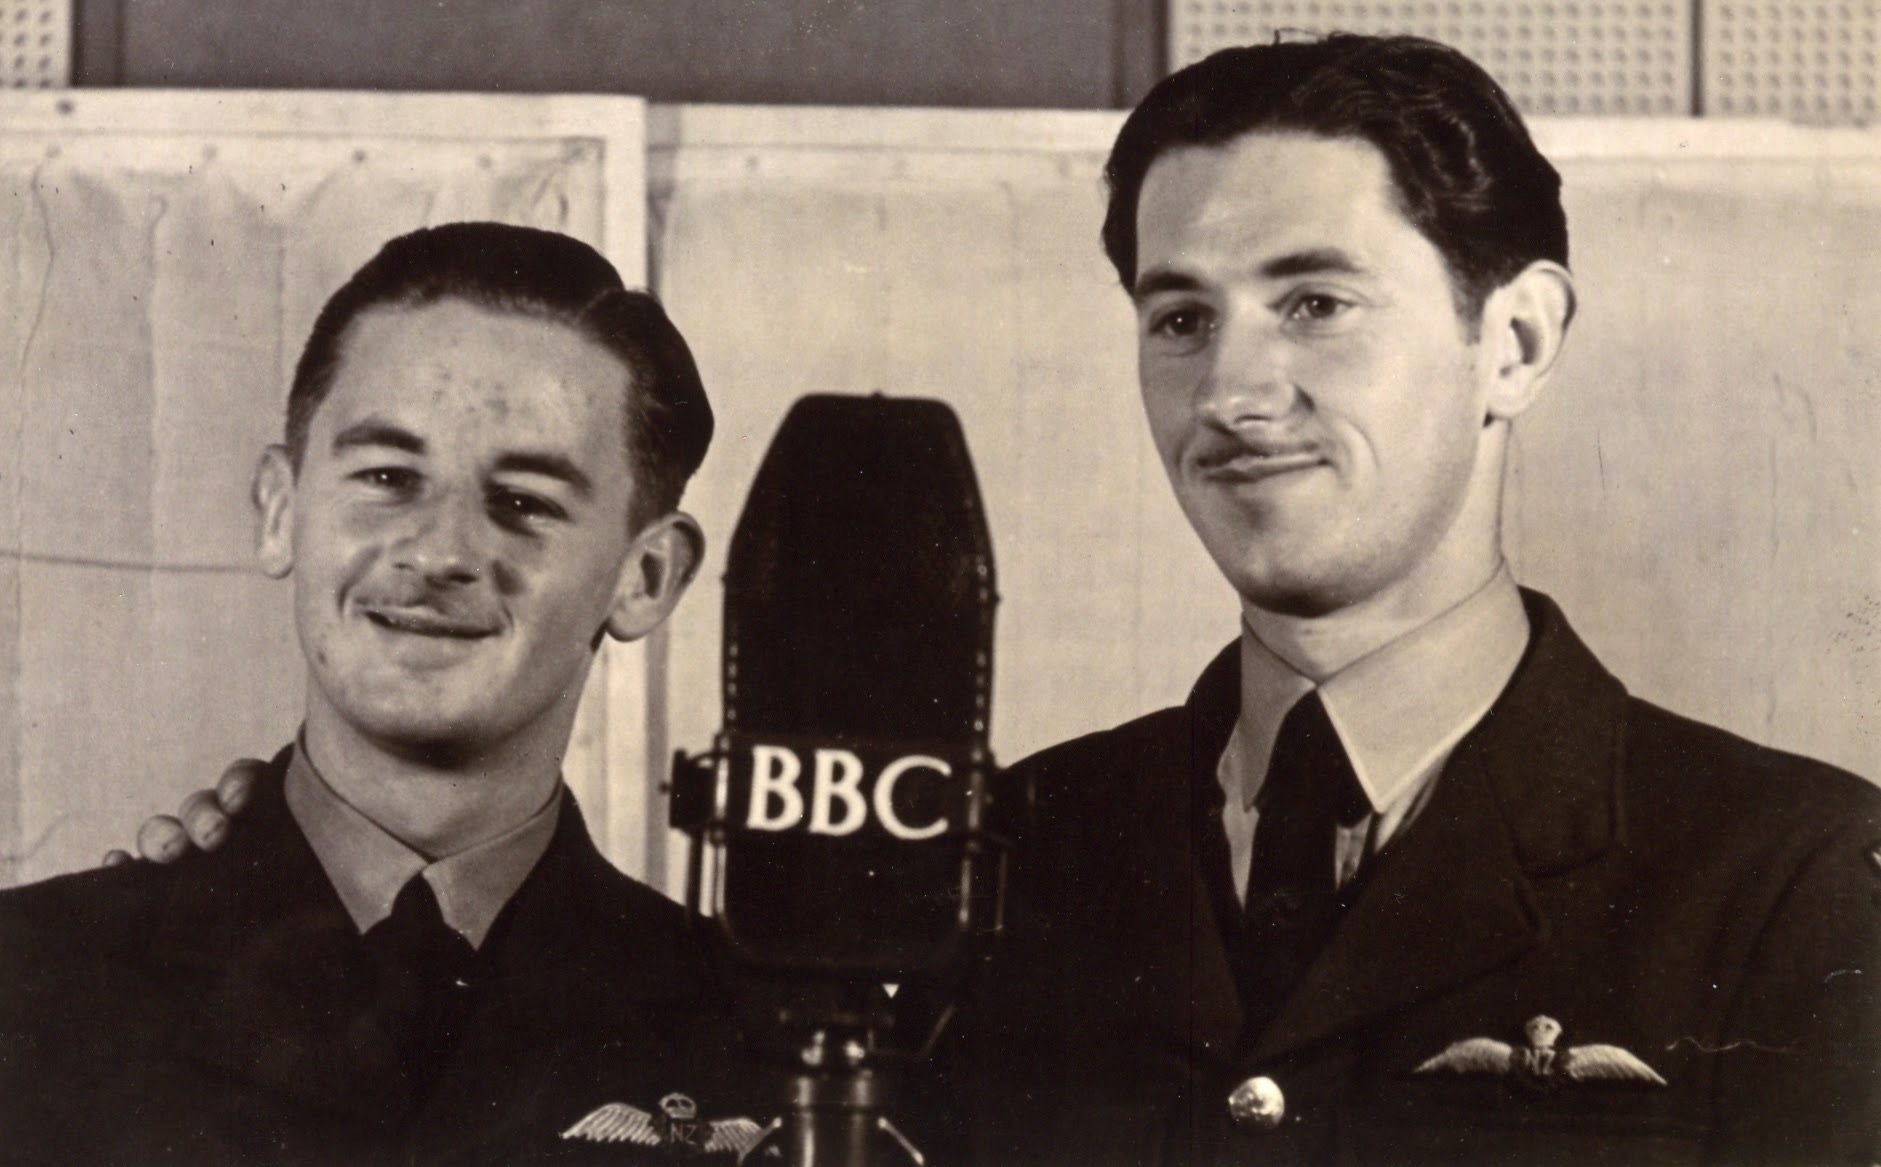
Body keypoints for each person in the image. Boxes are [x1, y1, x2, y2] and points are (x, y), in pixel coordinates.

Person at [124, 34, 1881, 1166]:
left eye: (1315, 302)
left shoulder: (1790, 883)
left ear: (1515, 338)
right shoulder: (993, 853)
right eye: (1180, 315)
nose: (1233, 388)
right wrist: (253, 888)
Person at [0, 223, 779, 1164]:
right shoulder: (31, 982)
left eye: (526, 501)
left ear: (646, 576)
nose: (440, 550)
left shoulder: (770, 1043)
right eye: (386, 476)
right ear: (282, 511)